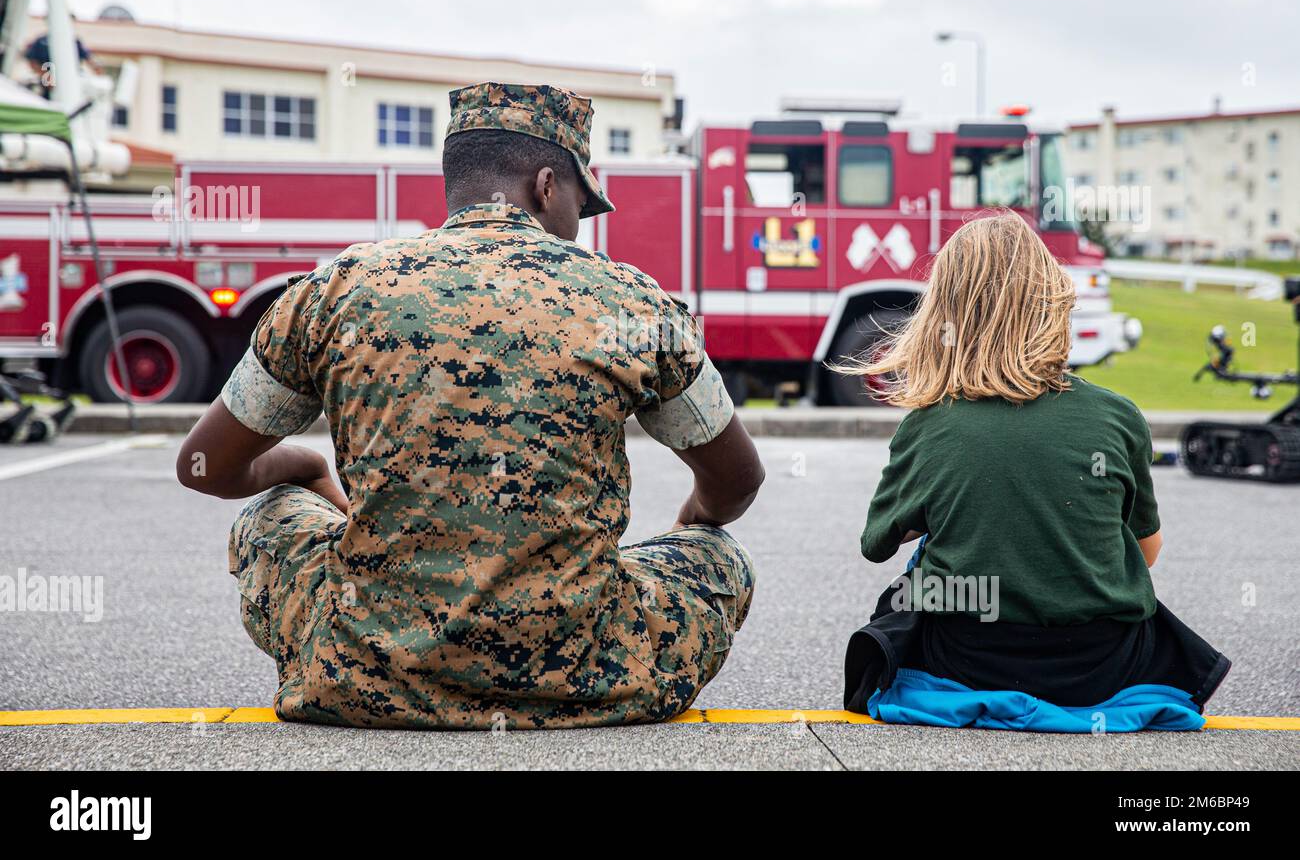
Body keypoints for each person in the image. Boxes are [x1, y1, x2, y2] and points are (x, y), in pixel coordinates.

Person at [177, 82, 763, 729]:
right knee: (718, 555)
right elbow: (737, 480)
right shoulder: (631, 302)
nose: (578, 222)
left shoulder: (334, 290)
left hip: (361, 673)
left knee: (270, 518)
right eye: (578, 202)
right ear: (547, 186)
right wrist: (694, 520)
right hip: (589, 672)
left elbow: (205, 465)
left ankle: (359, 668)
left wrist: (299, 469)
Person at [839, 211, 1229, 729]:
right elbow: (1146, 552)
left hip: (967, 660)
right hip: (1103, 667)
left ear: (943, 315)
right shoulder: (1118, 416)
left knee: (913, 582)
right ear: (1052, 303)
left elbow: (876, 544)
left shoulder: (931, 424)